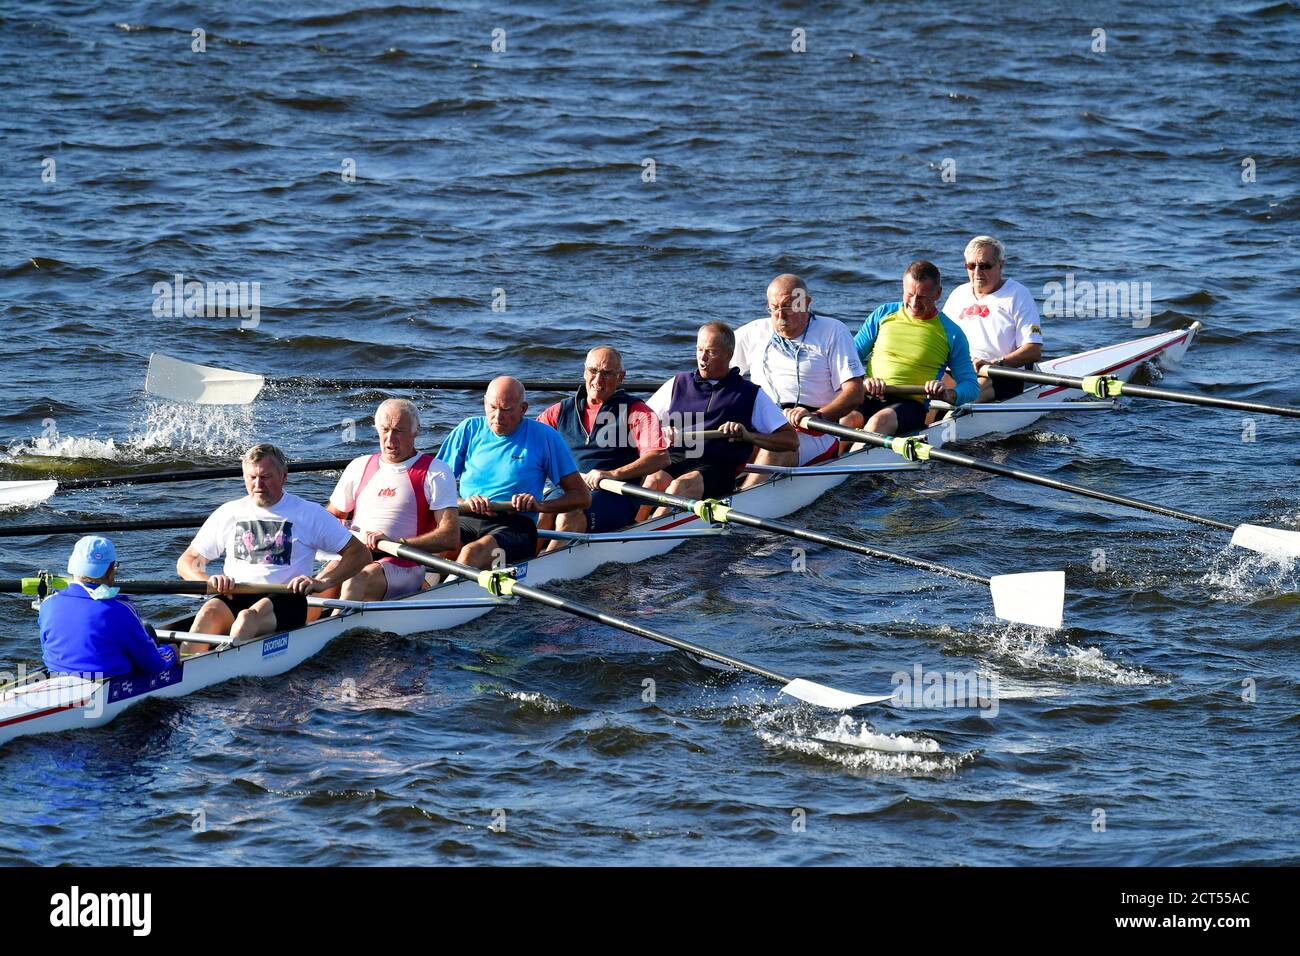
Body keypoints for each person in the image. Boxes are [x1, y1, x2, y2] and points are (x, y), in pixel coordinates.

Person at [177, 443, 371, 645]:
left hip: (287, 597)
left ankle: (221, 665)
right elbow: (187, 561)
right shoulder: (229, 512)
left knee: (247, 618)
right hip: (237, 594)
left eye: (265, 477)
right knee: (206, 614)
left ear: (284, 476)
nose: (258, 484)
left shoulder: (308, 513)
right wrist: (207, 580)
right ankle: (186, 667)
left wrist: (321, 582)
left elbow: (359, 554)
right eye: (252, 478)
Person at [438, 377, 590, 569]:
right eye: (492, 407)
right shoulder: (468, 429)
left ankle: (446, 593)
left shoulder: (545, 437)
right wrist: (463, 502)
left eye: (507, 410)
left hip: (516, 525)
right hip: (467, 516)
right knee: (434, 547)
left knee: (471, 553)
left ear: (523, 408)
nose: (497, 416)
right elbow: (434, 487)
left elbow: (582, 497)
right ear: (484, 402)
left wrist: (539, 505)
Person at [644, 321, 797, 507]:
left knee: (678, 487)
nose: (702, 358)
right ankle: (634, 528)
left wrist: (749, 436)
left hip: (718, 466)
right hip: (678, 456)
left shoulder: (750, 394)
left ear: (729, 355)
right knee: (652, 481)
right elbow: (640, 422)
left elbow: (791, 440)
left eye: (711, 352)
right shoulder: (678, 383)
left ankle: (654, 531)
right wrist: (659, 431)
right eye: (699, 350)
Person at [322, 399, 460, 600]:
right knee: (319, 582)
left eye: (399, 431)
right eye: (385, 430)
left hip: (406, 563)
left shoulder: (435, 471)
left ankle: (334, 627)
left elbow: (450, 537)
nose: (390, 439)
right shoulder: (358, 466)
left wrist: (397, 542)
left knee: (355, 580)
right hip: (359, 554)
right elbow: (330, 517)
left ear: (416, 431)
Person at [535, 347, 668, 547]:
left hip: (616, 496)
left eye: (606, 373)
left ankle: (544, 565)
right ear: (584, 372)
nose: (598, 380)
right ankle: (524, 561)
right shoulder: (559, 411)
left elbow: (660, 457)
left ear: (621, 377)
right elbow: (530, 448)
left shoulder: (637, 412)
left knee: (567, 516)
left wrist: (613, 474)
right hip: (569, 489)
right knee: (539, 513)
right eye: (593, 371)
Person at [732, 274, 865, 468]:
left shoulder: (832, 331)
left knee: (777, 450)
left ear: (806, 303)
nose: (780, 315)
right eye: (774, 308)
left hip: (815, 430)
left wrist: (818, 416)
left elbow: (855, 393)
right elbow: (715, 375)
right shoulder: (753, 332)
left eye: (787, 307)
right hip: (763, 426)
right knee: (720, 447)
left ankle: (746, 495)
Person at [848, 260, 980, 436]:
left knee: (877, 422)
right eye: (909, 294)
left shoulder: (952, 333)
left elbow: (971, 385)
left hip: (910, 404)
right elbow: (850, 357)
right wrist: (862, 379)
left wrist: (949, 395)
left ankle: (848, 460)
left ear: (938, 293)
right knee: (847, 419)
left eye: (922, 297)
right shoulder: (883, 314)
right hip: (868, 393)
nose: (915, 303)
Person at [38, 535, 178, 678]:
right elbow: (154, 665)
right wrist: (171, 652)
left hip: (57, 676)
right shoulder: (120, 609)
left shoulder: (48, 603)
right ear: (111, 571)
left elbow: (46, 649)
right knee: (147, 630)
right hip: (107, 685)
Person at [942, 235, 1044, 402]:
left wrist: (996, 363)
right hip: (959, 369)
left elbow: (1033, 350)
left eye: (984, 266)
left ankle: (950, 420)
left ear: (1000, 266)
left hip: (998, 373)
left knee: (963, 398)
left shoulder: (1018, 295)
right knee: (927, 394)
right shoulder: (958, 294)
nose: (976, 273)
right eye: (971, 266)